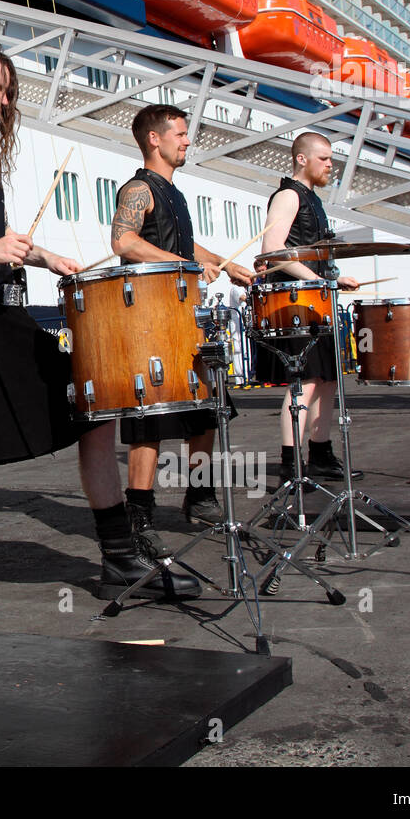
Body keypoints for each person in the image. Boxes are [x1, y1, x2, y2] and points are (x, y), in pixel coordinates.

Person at [0, 47, 199, 618]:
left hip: (6, 311)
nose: (6, 103)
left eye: (10, 92)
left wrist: (44, 256)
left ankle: (119, 558)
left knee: (92, 411)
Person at [109, 105, 252, 553]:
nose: (187, 141)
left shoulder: (174, 192)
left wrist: (226, 263)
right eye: (181, 134)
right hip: (148, 316)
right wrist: (186, 265)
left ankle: (200, 493)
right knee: (149, 415)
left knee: (208, 404)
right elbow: (124, 241)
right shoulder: (138, 188)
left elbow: (181, 241)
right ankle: (139, 511)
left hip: (184, 313)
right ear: (156, 139)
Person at [253, 132, 360, 481]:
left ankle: (321, 453)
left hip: (317, 302)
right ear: (302, 159)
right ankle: (290, 464)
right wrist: (319, 281)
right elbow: (274, 248)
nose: (331, 164)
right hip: (296, 302)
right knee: (305, 383)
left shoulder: (313, 199)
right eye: (324, 158)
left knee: (327, 380)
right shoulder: (288, 195)